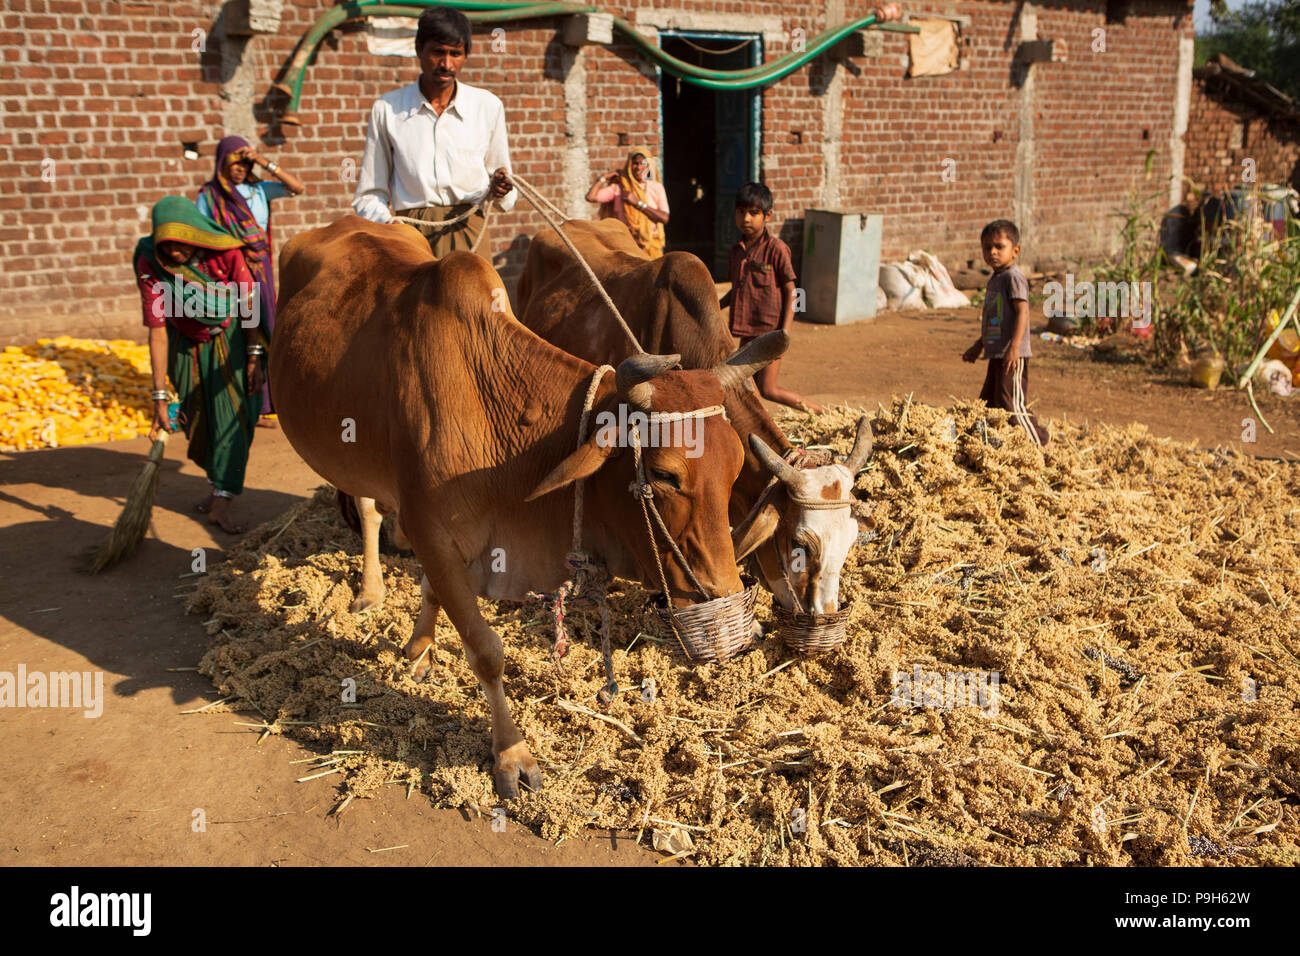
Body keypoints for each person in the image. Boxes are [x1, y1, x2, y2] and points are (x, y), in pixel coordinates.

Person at [133, 196, 266, 533]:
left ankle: (222, 499)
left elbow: (248, 304)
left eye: (182, 243)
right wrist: (159, 396)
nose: (175, 253)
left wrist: (253, 356)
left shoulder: (226, 253)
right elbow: (157, 330)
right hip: (185, 347)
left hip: (231, 339)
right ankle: (217, 484)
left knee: (234, 418)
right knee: (200, 420)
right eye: (168, 246)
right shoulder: (150, 262)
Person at [352, 6, 515, 256]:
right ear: (419, 50)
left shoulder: (487, 106)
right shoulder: (387, 109)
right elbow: (369, 194)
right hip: (409, 235)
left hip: (469, 230)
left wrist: (501, 188)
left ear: (465, 55)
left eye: (455, 54)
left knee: (475, 295)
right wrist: (391, 225)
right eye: (437, 52)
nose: (446, 64)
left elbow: (503, 183)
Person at [197, 135, 305, 428]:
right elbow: (203, 236)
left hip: (261, 271)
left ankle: (268, 402)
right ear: (222, 163)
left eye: (246, 163)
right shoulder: (209, 196)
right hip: (227, 273)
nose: (241, 168)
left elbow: (297, 188)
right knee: (237, 331)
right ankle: (242, 402)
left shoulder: (258, 190)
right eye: (235, 162)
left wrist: (263, 161)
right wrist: (235, 255)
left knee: (266, 326)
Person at [719, 182, 826, 414]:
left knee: (768, 389)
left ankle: (823, 414)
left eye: (753, 213)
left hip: (771, 333)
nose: (745, 218)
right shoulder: (735, 251)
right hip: (747, 333)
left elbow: (796, 291)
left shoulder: (777, 249)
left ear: (768, 215)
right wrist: (714, 306)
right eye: (740, 212)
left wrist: (786, 332)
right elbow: (736, 289)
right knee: (744, 387)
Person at [961, 219, 1050, 447]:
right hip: (996, 354)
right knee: (988, 402)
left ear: (1015, 251)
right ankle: (992, 445)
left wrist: (1014, 347)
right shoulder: (996, 279)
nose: (992, 252)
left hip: (1011, 355)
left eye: (999, 246)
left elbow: (1023, 313)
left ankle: (1039, 443)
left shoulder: (1013, 277)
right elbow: (996, 320)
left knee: (1012, 405)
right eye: (987, 247)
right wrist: (979, 345)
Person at [585, 148, 670, 257]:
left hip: (650, 245)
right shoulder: (620, 188)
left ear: (648, 165)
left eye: (643, 163)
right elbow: (590, 197)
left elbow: (664, 218)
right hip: (625, 245)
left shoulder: (656, 187)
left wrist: (637, 203)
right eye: (635, 163)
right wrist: (603, 178)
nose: (638, 167)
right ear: (630, 165)